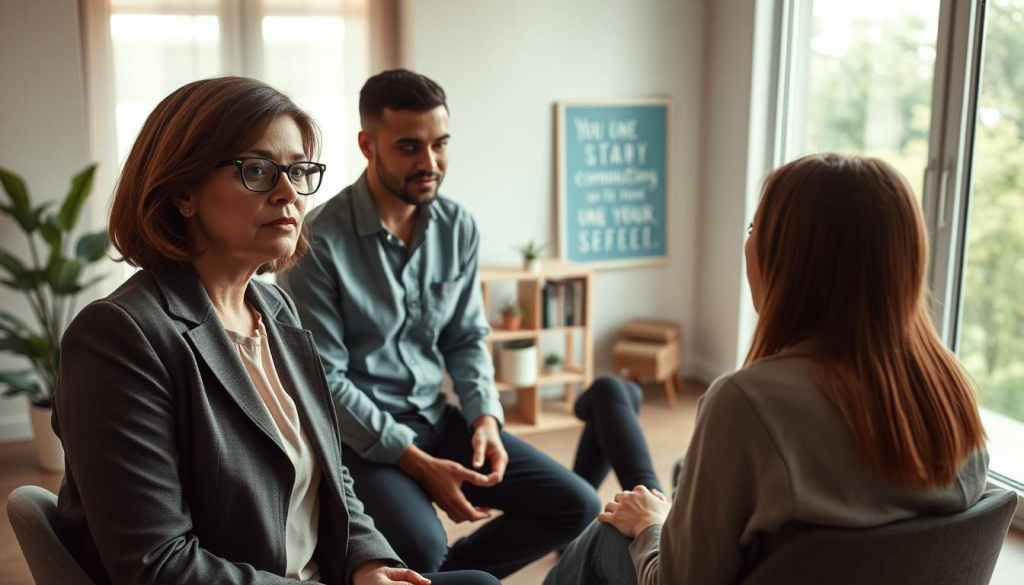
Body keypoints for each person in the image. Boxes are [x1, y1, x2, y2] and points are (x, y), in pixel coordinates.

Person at [54, 76, 498, 585]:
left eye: (298, 170)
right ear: (183, 193)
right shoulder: (118, 338)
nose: (289, 193)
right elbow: (158, 566)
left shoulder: (275, 308)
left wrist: (368, 563)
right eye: (258, 171)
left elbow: (331, 478)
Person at [545, 153, 990, 584]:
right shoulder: (948, 389)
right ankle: (614, 410)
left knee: (605, 534)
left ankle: (609, 415)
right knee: (672, 475)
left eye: (755, 226)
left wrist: (649, 529)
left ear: (792, 259)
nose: (748, 241)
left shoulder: (745, 403)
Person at [281, 69, 601, 579]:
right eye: (409, 147)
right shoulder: (319, 240)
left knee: (576, 506)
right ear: (368, 145)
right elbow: (325, 383)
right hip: (362, 441)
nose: (429, 163)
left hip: (438, 418)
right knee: (422, 547)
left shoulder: (458, 227)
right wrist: (419, 465)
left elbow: (466, 337)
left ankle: (455, 575)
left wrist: (486, 420)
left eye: (440, 144)